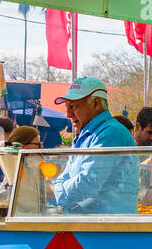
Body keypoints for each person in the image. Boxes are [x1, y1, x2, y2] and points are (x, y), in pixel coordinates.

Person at [51, 77, 138, 214]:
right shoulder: (85, 136)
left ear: (96, 103)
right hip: (91, 225)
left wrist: (52, 191)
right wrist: (57, 188)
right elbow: (66, 176)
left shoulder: (111, 133)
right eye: (67, 107)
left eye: (73, 106)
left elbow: (87, 184)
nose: (68, 114)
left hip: (109, 228)